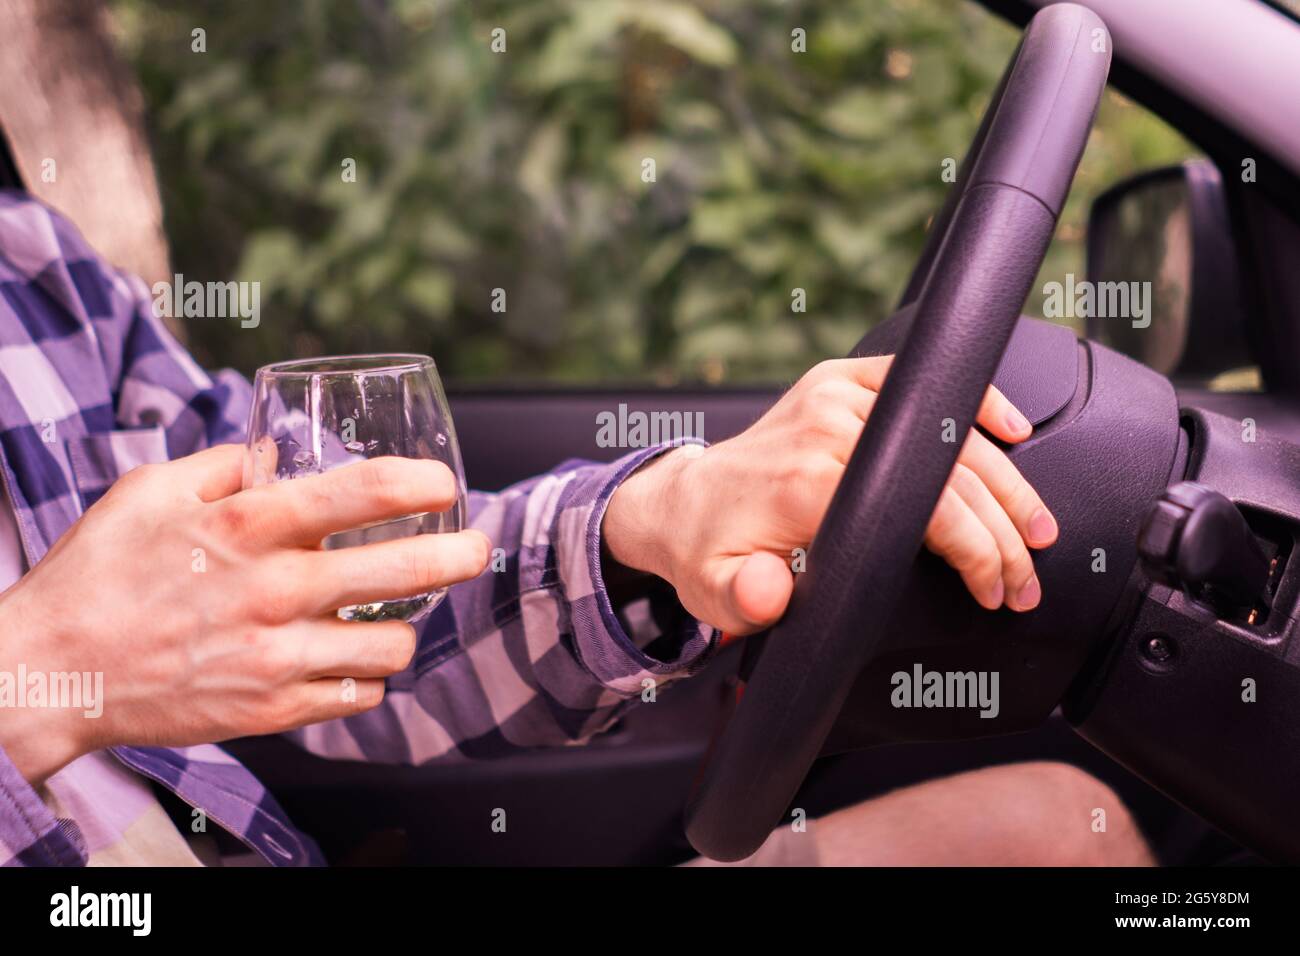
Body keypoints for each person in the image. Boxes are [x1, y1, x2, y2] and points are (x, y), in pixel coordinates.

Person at [0, 192, 1151, 866]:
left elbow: (357, 591)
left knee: (1057, 826)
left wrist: (653, 521)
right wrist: (41, 675)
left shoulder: (36, 273)